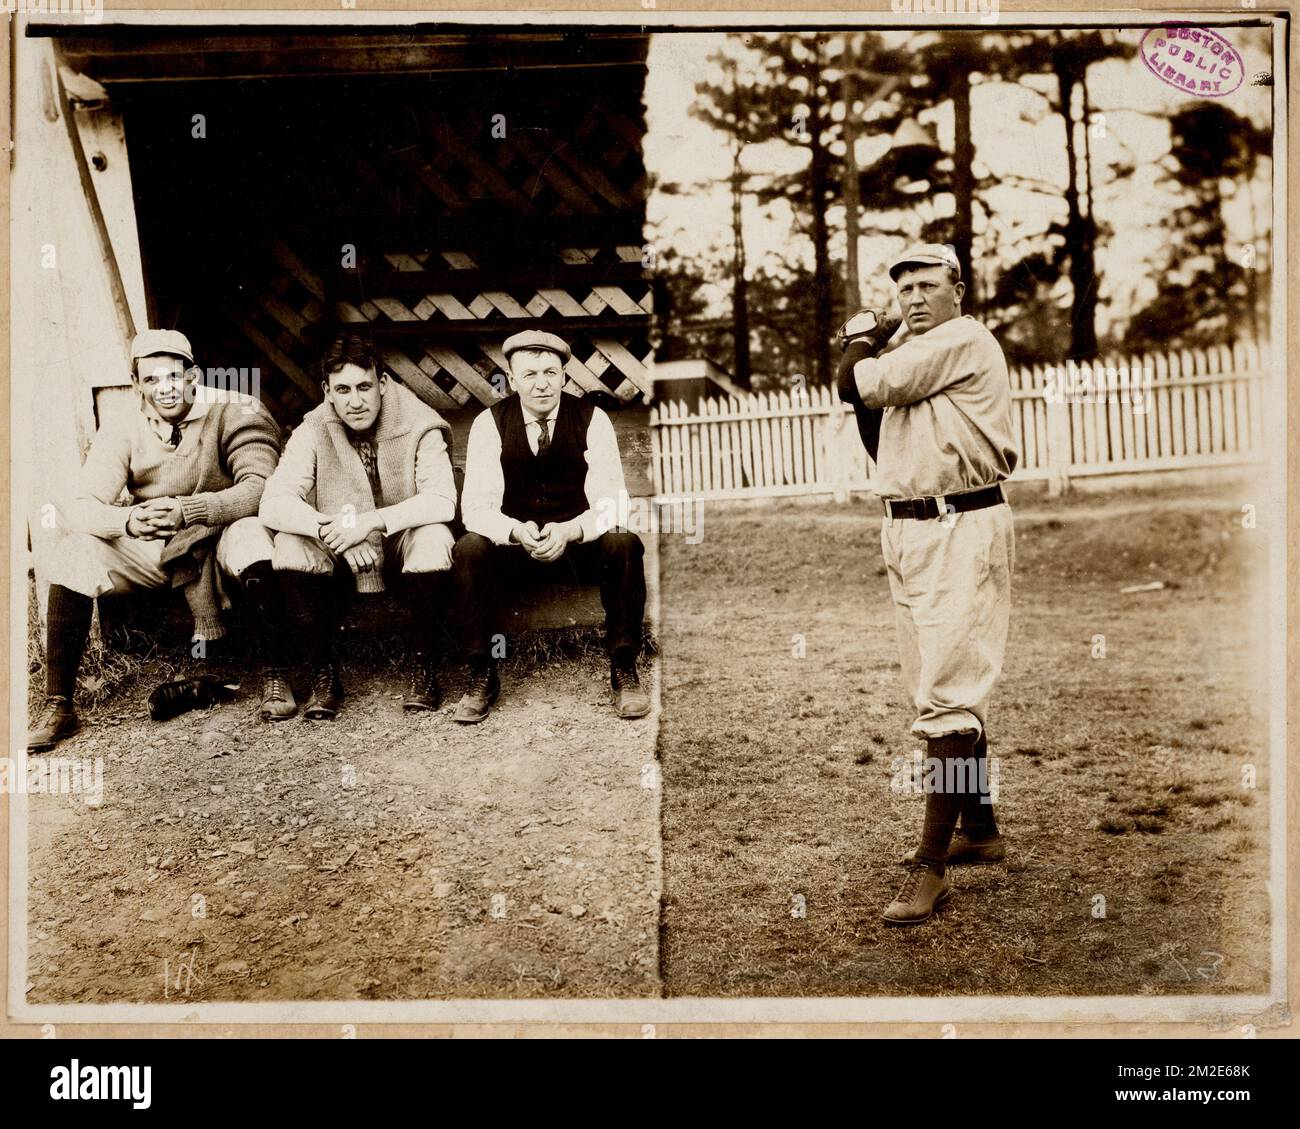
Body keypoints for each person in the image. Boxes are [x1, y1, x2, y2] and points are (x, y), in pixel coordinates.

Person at [836, 243, 1019, 925]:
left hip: (960, 524)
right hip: (910, 525)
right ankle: (984, 828)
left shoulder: (962, 338)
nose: (912, 297)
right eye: (902, 287)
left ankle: (930, 869)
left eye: (926, 284)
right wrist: (866, 350)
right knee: (941, 680)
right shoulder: (916, 360)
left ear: (959, 291)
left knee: (946, 692)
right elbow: (866, 417)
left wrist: (861, 336)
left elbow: (859, 380)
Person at [28, 329, 284, 751]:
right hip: (161, 544)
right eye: (151, 380)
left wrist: (191, 510)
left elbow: (261, 487)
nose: (164, 389)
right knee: (75, 550)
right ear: (137, 385)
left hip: (221, 531)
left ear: (193, 376)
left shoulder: (236, 409)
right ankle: (60, 705)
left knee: (254, 538)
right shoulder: (124, 425)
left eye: (172, 377)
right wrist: (128, 521)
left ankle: (278, 675)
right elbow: (80, 503)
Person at [452, 330, 649, 723]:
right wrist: (515, 531)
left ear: (563, 376)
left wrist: (571, 530)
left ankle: (624, 668)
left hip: (576, 549)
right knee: (469, 547)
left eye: (549, 372)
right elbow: (475, 508)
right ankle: (482, 673)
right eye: (529, 374)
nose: (540, 383)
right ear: (511, 379)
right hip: (515, 552)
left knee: (625, 543)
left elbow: (613, 503)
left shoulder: (593, 420)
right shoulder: (488, 425)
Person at [259, 333, 457, 720]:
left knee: (434, 536)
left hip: (399, 545)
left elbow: (443, 500)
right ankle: (323, 675)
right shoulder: (313, 428)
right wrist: (333, 529)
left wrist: (370, 522)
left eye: (365, 387)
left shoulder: (419, 423)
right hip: (341, 552)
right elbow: (273, 501)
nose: (355, 401)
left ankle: (425, 670)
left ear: (382, 384)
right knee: (289, 543)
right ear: (327, 391)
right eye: (343, 389)